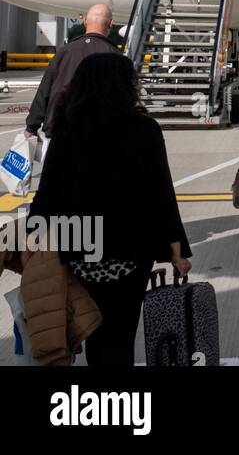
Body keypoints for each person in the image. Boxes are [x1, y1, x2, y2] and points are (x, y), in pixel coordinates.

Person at [28, 52, 192, 367]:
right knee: (120, 332)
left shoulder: (66, 130)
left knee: (90, 327)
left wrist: (33, 241)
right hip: (130, 250)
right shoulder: (144, 129)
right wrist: (177, 250)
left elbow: (48, 194)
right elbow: (161, 194)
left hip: (79, 247)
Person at [25, 3, 118, 140]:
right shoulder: (116, 56)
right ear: (111, 23)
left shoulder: (64, 51)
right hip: (100, 134)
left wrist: (31, 127)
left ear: (85, 20)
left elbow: (45, 90)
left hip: (60, 131)